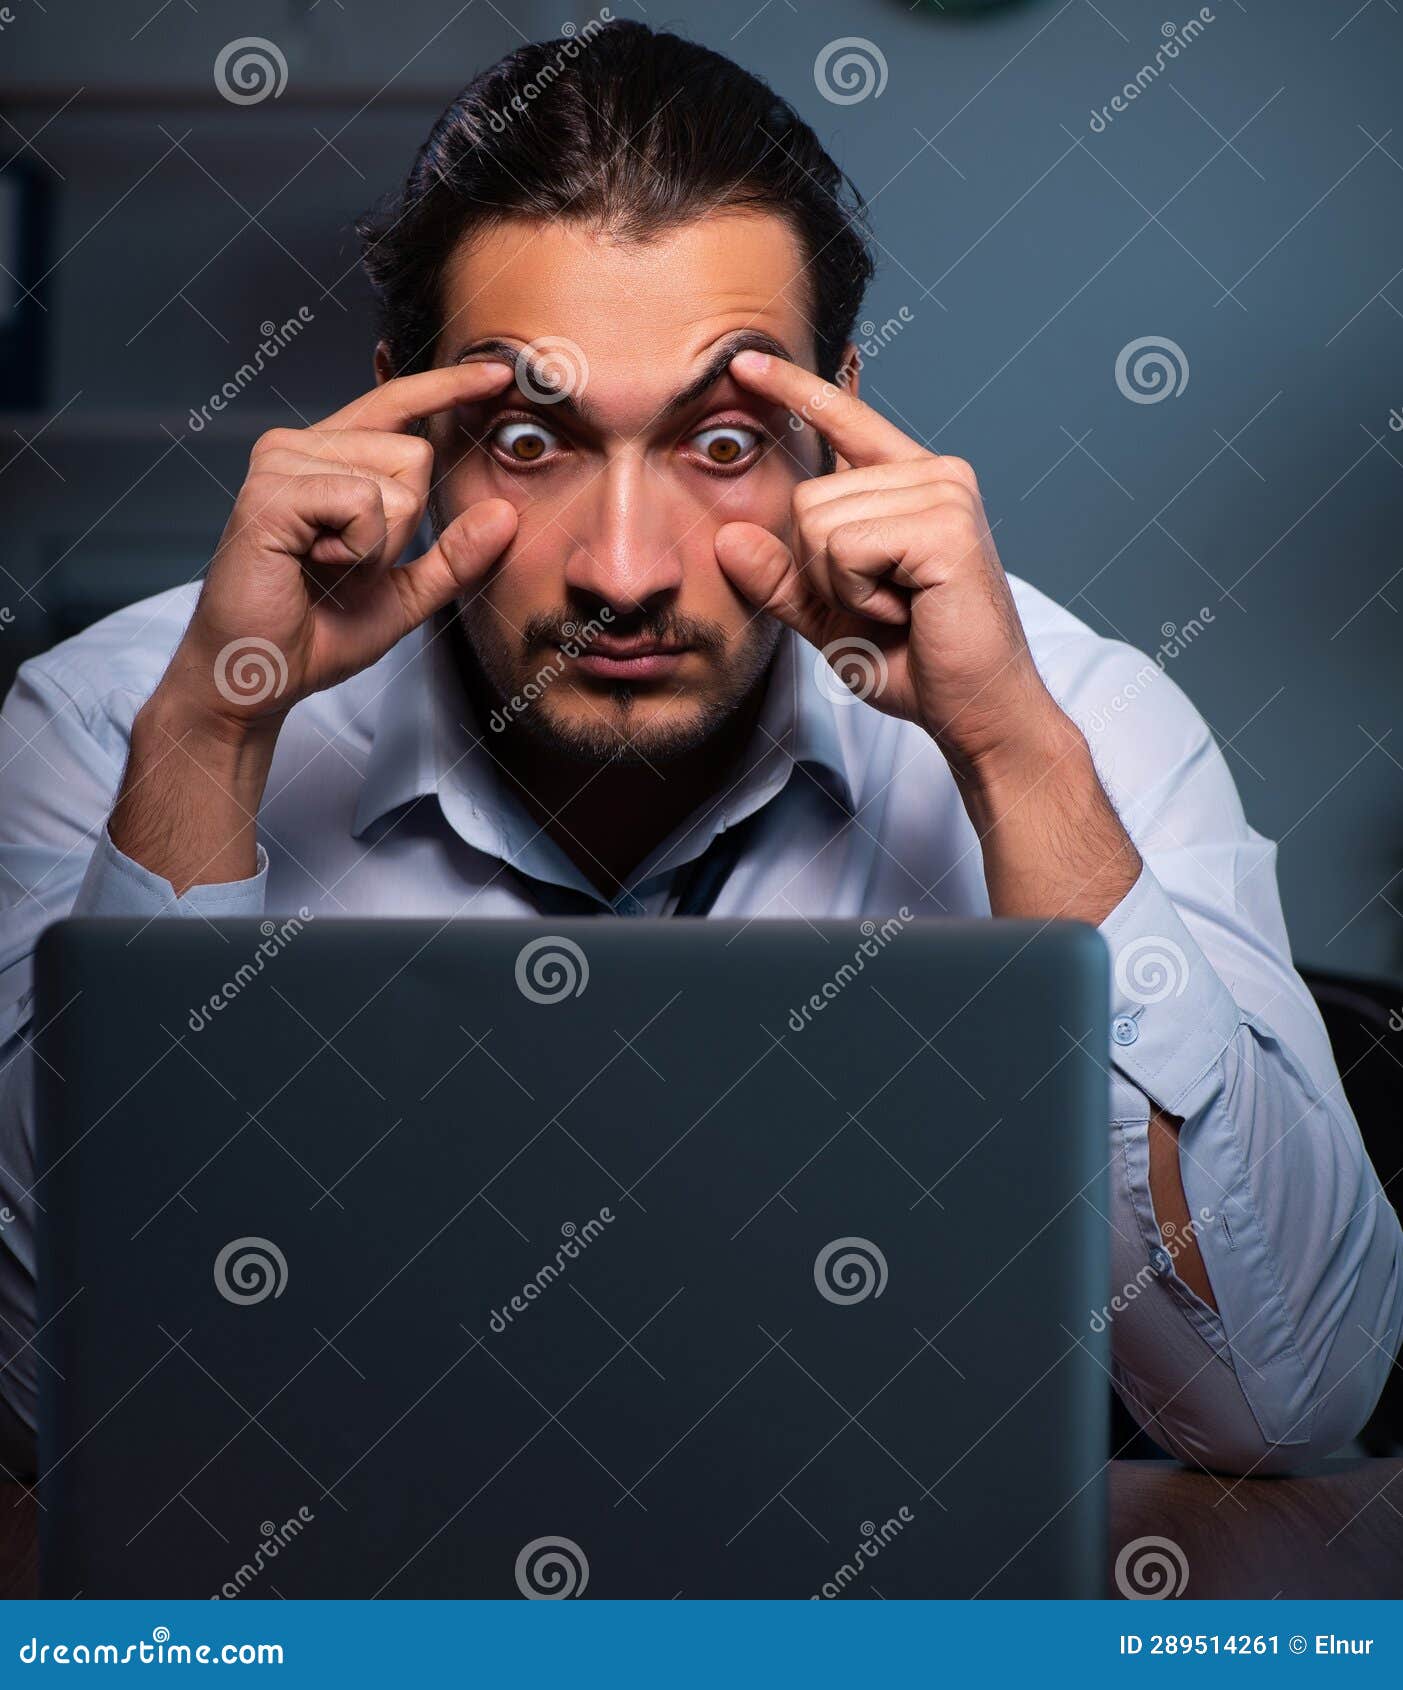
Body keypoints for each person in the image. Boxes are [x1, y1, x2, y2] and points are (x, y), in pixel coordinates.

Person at [1, 20, 1399, 1482]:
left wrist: (1015, 762)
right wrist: (215, 742)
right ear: (397, 424)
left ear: (837, 424)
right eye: (530, 439)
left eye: (724, 441)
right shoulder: (123, 726)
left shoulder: (1070, 719)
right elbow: (64, 1418)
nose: (622, 568)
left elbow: (1292, 1395)